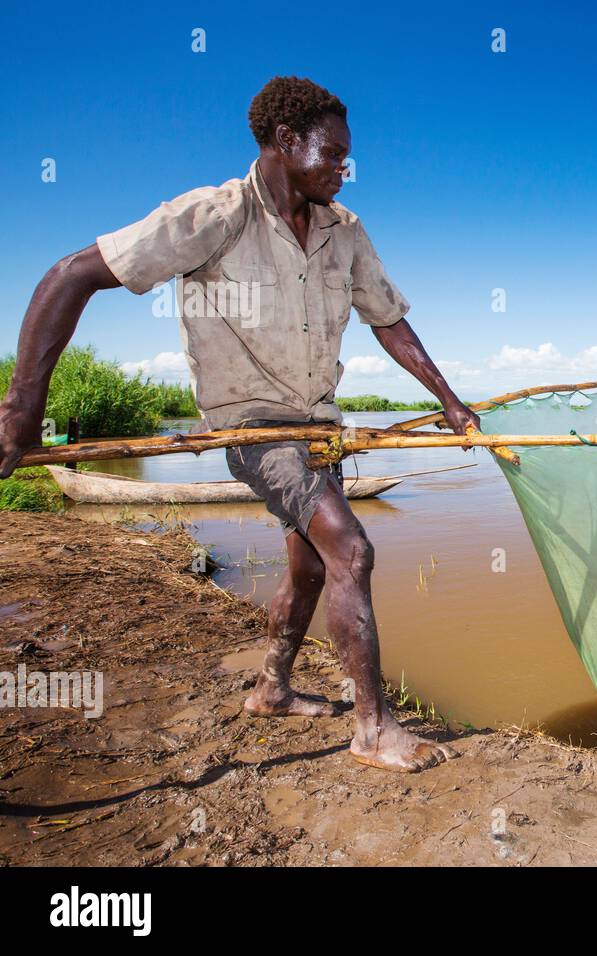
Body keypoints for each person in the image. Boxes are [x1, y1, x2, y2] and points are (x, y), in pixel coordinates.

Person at [0, 76, 479, 772]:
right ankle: (374, 728)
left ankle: (271, 688)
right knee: (350, 549)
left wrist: (452, 400)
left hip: (318, 428)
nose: (345, 168)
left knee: (312, 567)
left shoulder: (345, 231)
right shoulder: (213, 216)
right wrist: (21, 413)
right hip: (253, 429)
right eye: (333, 153)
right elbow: (69, 276)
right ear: (286, 142)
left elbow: (390, 322)